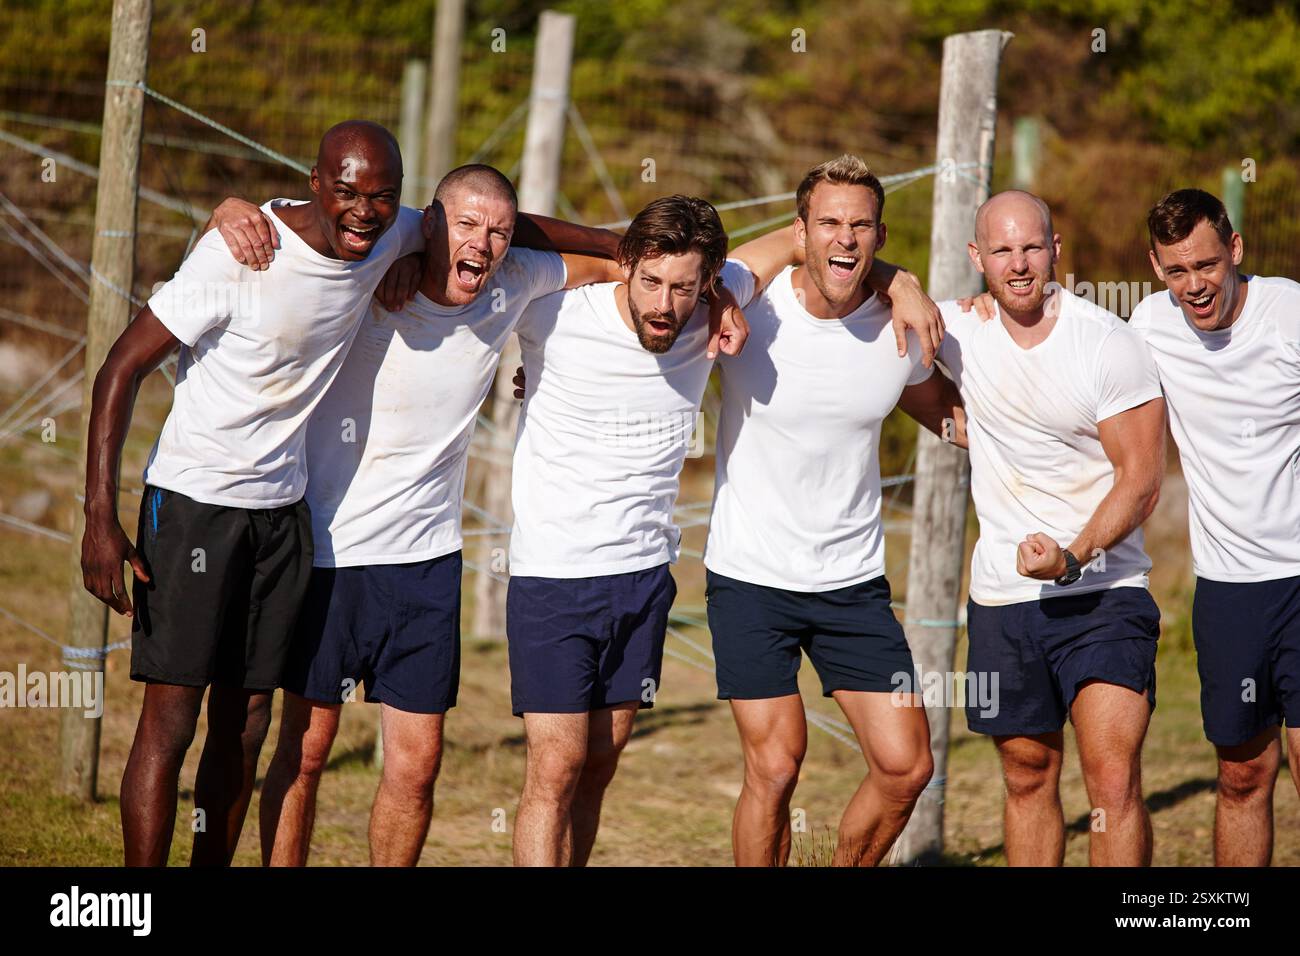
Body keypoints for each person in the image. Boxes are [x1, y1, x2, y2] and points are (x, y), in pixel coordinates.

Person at [80, 121, 422, 866]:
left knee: (248, 721)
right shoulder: (239, 253)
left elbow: (489, 219)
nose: (365, 210)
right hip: (194, 505)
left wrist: (618, 247)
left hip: (282, 516)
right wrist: (99, 518)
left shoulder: (395, 234)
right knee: (172, 719)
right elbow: (119, 370)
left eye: (383, 197)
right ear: (313, 182)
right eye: (347, 191)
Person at [703, 154, 961, 866]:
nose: (844, 239)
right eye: (828, 224)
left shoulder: (897, 330)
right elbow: (659, 293)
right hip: (750, 575)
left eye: (860, 226)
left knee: (907, 766)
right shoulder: (745, 302)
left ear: (880, 236)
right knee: (777, 766)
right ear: (800, 231)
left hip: (852, 584)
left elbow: (953, 416)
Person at [941, 189, 1166, 866]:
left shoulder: (1107, 342)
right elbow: (878, 324)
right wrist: (965, 429)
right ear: (977, 256)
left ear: (1056, 250)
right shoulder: (956, 329)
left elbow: (1142, 479)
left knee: (1111, 777)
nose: (1018, 264)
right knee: (1026, 775)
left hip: (1105, 592)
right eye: (1002, 250)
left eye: (1031, 246)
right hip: (1004, 602)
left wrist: (1072, 557)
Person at [1130, 188, 1300, 866]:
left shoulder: (1289, 312)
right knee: (1241, 776)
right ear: (1155, 267)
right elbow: (1066, 352)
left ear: (1235, 250)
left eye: (1205, 265)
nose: (1194, 286)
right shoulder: (1148, 326)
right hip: (1229, 590)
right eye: (1176, 271)